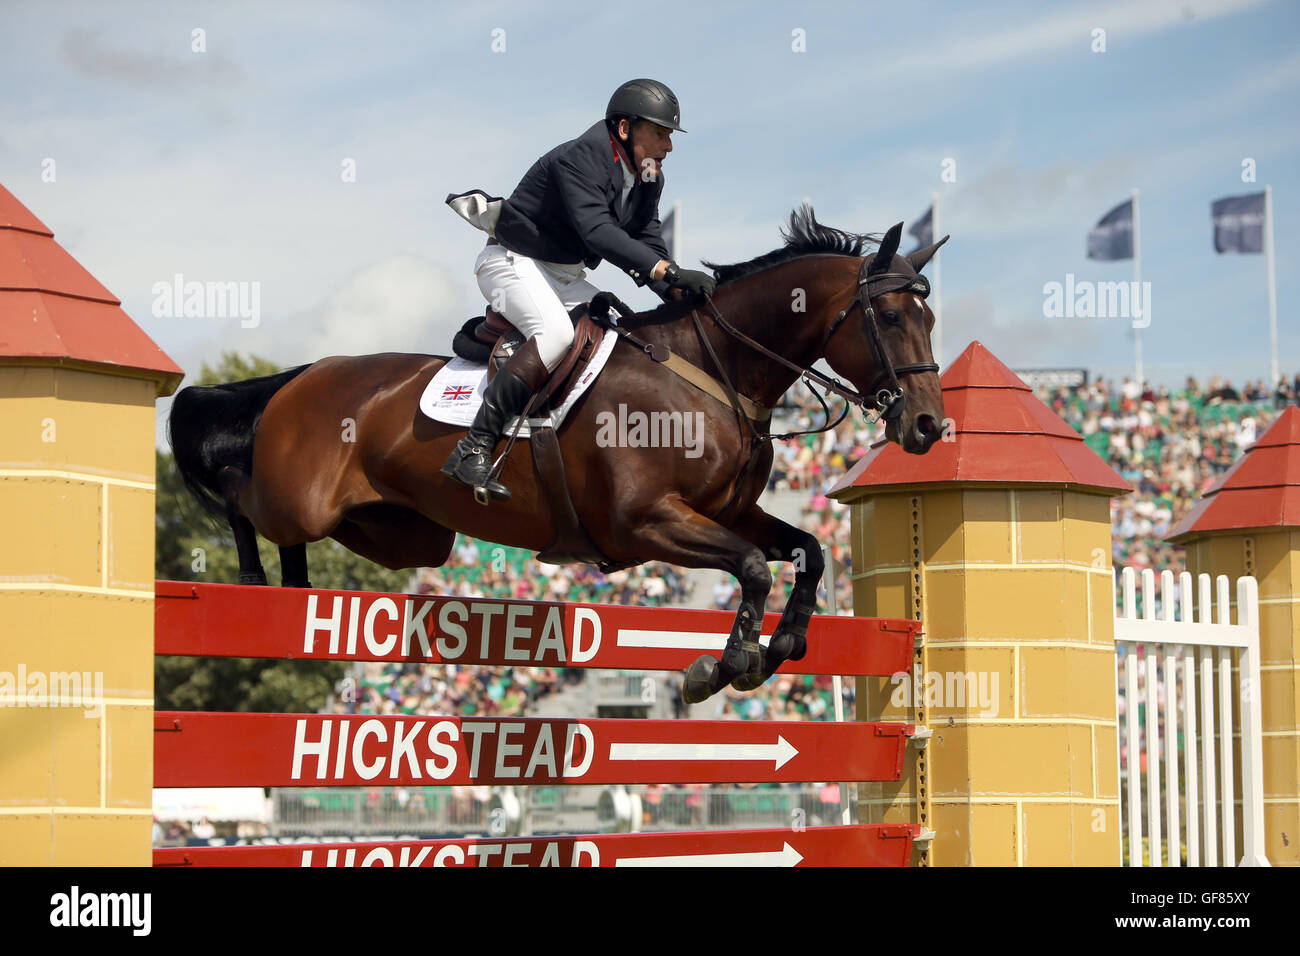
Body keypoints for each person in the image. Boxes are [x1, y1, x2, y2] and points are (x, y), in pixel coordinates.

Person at [442, 79, 717, 503]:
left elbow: (645, 235)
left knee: (619, 338)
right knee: (556, 335)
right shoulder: (580, 157)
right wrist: (669, 270)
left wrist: (675, 292)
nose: (668, 146)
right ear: (624, 129)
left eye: (669, 136)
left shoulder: (648, 177)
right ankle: (473, 448)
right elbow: (599, 231)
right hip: (512, 261)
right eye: (660, 134)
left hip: (562, 274)